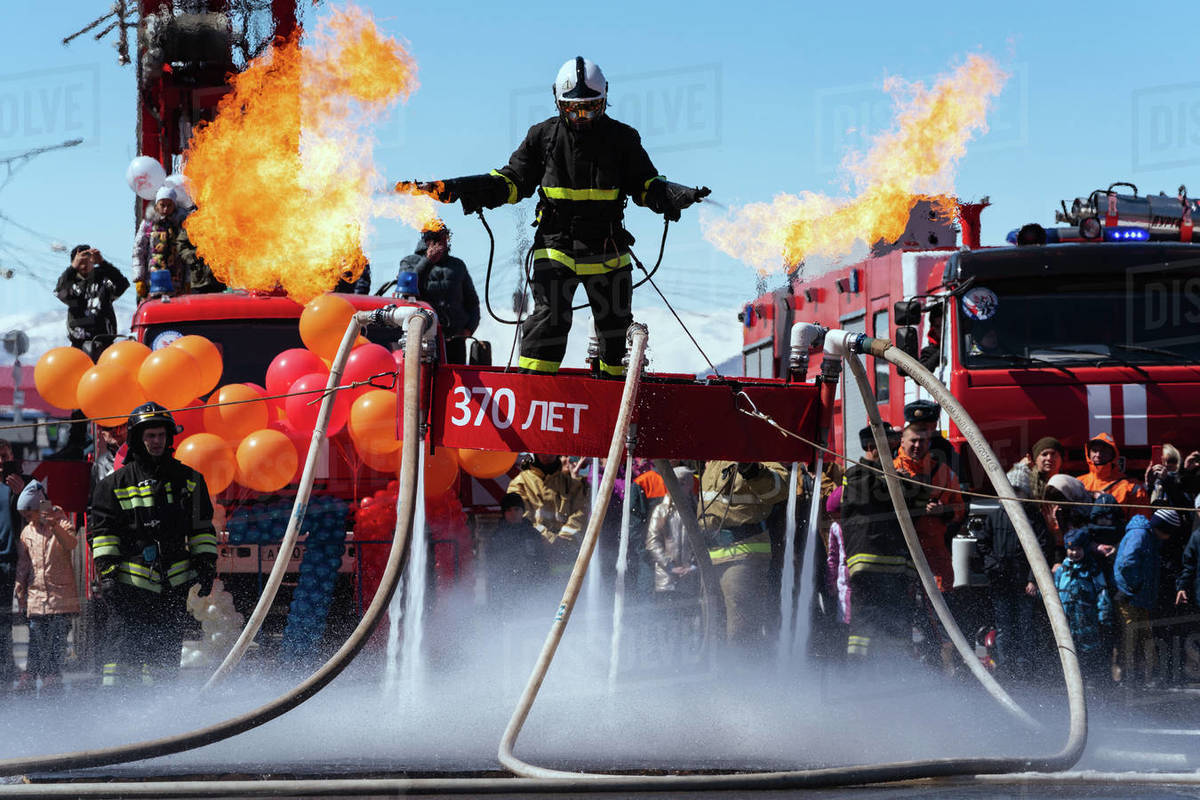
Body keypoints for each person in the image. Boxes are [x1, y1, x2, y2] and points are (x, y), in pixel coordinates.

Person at [411, 57, 709, 377]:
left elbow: (645, 185)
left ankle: (614, 403)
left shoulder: (623, 139)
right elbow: (511, 182)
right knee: (550, 321)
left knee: (615, 333)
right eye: (573, 109)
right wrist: (460, 189)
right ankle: (533, 396)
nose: (582, 117)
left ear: (604, 99)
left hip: (608, 250)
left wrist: (670, 195)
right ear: (558, 101)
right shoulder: (543, 137)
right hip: (556, 247)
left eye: (590, 108)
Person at [87, 402, 218, 687]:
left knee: (165, 658)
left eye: (161, 435)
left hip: (173, 587)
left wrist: (206, 565)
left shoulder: (191, 481)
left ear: (169, 437)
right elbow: (104, 533)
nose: (157, 441)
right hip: (129, 590)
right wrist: (107, 573)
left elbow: (202, 529)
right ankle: (117, 707)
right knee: (123, 656)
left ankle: (161, 709)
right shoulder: (113, 485)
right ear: (138, 438)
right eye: (150, 436)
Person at [841, 425, 917, 662]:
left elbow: (915, 497)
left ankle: (893, 669)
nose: (893, 449)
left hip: (894, 564)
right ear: (872, 446)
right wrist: (897, 483)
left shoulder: (892, 475)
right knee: (865, 620)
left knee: (895, 620)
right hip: (869, 562)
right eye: (887, 444)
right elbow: (873, 495)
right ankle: (857, 670)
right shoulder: (856, 474)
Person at [697, 460, 789, 654]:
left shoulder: (760, 452)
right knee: (713, 630)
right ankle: (720, 679)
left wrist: (752, 469)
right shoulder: (713, 460)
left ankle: (744, 678)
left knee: (740, 630)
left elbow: (779, 490)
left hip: (744, 554)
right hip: (710, 556)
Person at [974, 462, 1053, 681]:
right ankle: (1005, 666)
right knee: (1005, 627)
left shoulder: (1033, 518)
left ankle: (1026, 667)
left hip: (1023, 582)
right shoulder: (997, 515)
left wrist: (1033, 579)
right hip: (1001, 581)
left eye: (1016, 490)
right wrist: (992, 568)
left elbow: (1043, 548)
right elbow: (982, 543)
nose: (1012, 494)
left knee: (1026, 627)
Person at [13, 481, 80, 695]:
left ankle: (52, 675)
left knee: (56, 640)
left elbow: (71, 544)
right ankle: (31, 674)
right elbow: (24, 562)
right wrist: (19, 583)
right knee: (35, 638)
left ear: (38, 508)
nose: (27, 518)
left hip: (60, 597)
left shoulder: (61, 521)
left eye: (28, 513)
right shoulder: (27, 532)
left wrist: (55, 526)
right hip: (36, 596)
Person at [893, 419, 964, 591]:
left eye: (922, 441)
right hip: (902, 550)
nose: (918, 445)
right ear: (902, 441)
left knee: (942, 602)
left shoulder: (944, 473)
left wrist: (944, 511)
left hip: (936, 549)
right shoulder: (890, 470)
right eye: (913, 440)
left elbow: (960, 508)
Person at [396, 227, 480, 364]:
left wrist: (469, 329)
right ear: (428, 241)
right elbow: (406, 293)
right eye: (438, 239)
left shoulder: (457, 265)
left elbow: (472, 302)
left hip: (455, 341)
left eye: (445, 239)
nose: (443, 243)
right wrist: (427, 261)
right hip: (422, 339)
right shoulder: (409, 262)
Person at [1112, 509, 1173, 687]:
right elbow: (1127, 561)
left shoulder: (1150, 537)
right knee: (1130, 636)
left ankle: (1142, 676)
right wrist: (1135, 584)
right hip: (1130, 594)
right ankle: (1126, 676)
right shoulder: (1140, 535)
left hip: (1140, 597)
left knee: (1142, 636)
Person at [505, 454, 589, 579]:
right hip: (532, 562)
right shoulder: (519, 484)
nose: (547, 453)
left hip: (567, 564)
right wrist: (547, 539)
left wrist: (563, 540)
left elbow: (580, 513)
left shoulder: (571, 483)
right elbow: (521, 518)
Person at [1053, 526, 1113, 688]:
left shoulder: (1092, 569)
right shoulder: (1061, 570)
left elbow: (1102, 594)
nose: (1074, 553)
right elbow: (1052, 592)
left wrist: (1104, 618)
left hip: (1087, 622)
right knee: (1068, 652)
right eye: (1070, 549)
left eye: (1078, 549)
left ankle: (1092, 682)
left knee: (1089, 653)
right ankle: (1069, 683)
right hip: (1067, 622)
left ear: (1085, 549)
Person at [54, 245, 130, 359]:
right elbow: (59, 292)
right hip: (78, 344)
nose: (84, 265)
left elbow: (122, 284)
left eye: (88, 260)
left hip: (105, 342)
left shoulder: (103, 278)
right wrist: (73, 267)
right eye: (81, 261)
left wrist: (102, 263)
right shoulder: (70, 282)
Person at [132, 187, 200, 301]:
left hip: (177, 281)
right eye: (162, 205)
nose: (165, 209)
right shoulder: (148, 224)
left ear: (174, 206)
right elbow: (139, 250)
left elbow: (187, 254)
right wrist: (139, 277)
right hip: (153, 280)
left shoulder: (181, 224)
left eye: (169, 205)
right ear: (156, 205)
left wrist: (189, 280)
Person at [485, 493, 549, 612]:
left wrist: (543, 584)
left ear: (522, 511)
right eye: (509, 510)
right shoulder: (497, 537)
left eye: (516, 509)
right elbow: (492, 570)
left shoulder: (532, 534)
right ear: (504, 513)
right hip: (507, 591)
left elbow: (542, 561)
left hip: (531, 588)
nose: (513, 513)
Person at [644, 466, 700, 597]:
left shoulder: (696, 510)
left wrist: (692, 566)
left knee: (690, 614)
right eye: (685, 483)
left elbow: (702, 541)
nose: (690, 486)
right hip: (666, 580)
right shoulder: (661, 511)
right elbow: (652, 542)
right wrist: (670, 565)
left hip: (691, 580)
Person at [0, 438, 27, 690]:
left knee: (20, 618)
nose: (1, 463)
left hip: (18, 563)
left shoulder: (27, 483)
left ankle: (19, 671)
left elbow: (47, 514)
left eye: (5, 457)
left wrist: (22, 495)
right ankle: (5, 669)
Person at [1077, 432, 1148, 516]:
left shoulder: (1132, 488)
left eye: (1104, 451)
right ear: (1088, 453)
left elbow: (1140, 523)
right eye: (1095, 450)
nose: (1098, 455)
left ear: (1113, 454)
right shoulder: (1078, 483)